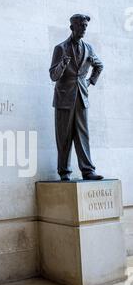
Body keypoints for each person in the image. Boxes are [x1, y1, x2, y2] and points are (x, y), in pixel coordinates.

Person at [49, 14, 104, 181]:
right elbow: (53, 76)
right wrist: (63, 64)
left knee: (82, 134)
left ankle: (88, 171)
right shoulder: (61, 48)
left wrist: (89, 82)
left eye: (86, 25)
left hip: (81, 96)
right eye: (81, 25)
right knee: (64, 136)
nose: (84, 28)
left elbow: (99, 66)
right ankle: (64, 172)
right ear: (72, 27)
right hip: (64, 98)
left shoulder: (89, 48)